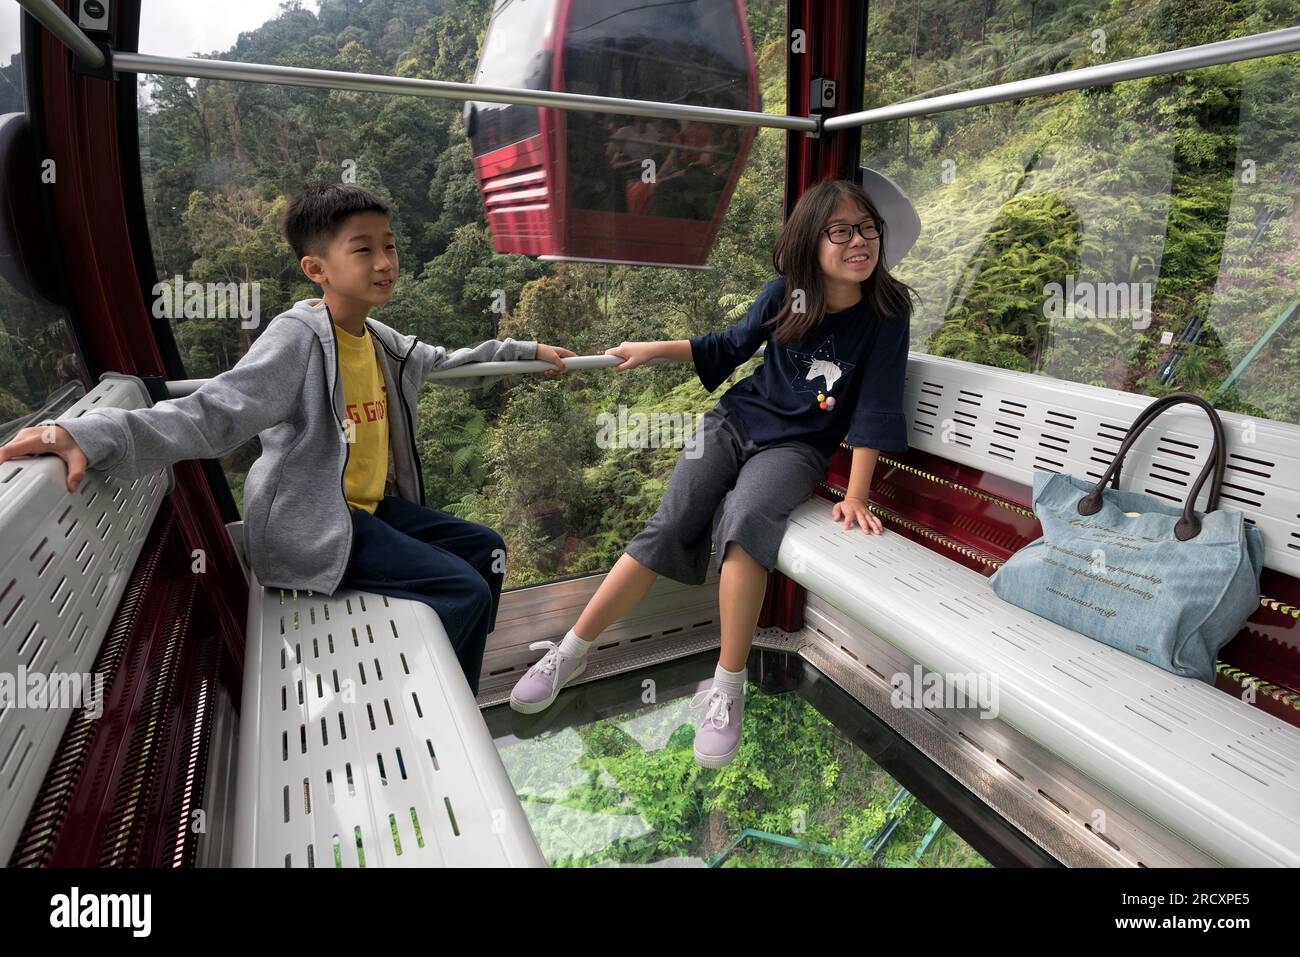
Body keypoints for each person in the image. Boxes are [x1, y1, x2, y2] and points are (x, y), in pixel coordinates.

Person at [0, 183, 575, 695]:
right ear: (316, 268)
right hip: (313, 524)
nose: (385, 262)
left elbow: (448, 361)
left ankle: (460, 674)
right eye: (364, 248)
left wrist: (525, 352)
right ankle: (435, 705)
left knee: (487, 549)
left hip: (366, 511)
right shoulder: (298, 340)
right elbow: (212, 413)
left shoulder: (378, 338)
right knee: (465, 591)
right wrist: (85, 432)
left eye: (390, 246)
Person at [509, 177, 920, 768]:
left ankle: (727, 686)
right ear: (811, 239)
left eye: (868, 229)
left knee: (747, 523)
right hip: (734, 423)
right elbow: (726, 346)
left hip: (797, 447)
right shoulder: (785, 294)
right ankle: (571, 652)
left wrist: (857, 493)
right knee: (671, 521)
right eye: (842, 231)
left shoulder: (885, 311)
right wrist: (654, 347)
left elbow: (879, 402)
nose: (860, 243)